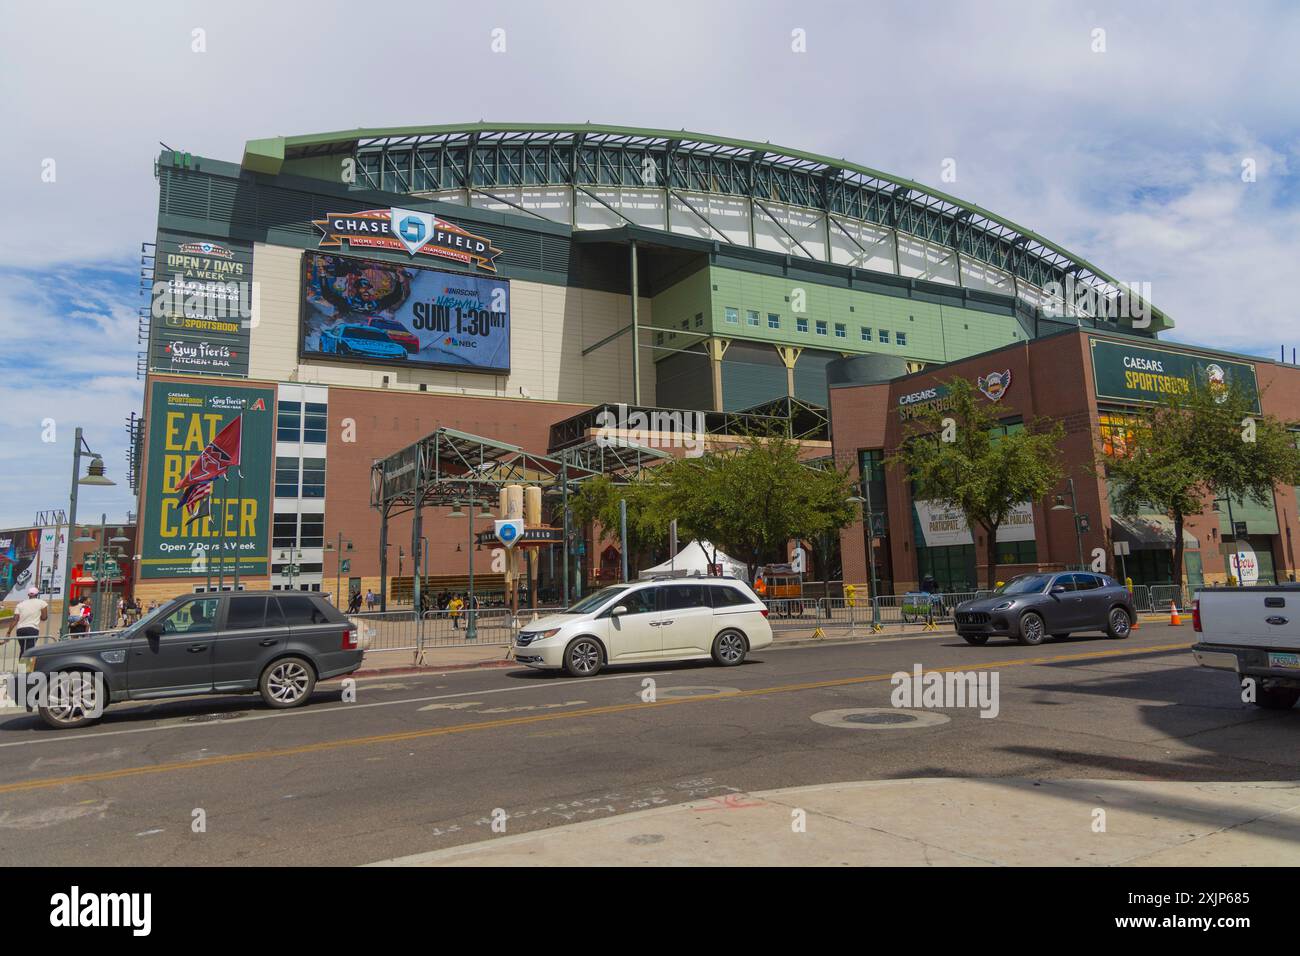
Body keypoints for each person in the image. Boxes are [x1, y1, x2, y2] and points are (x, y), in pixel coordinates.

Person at [6, 587, 48, 654]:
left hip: (20, 630)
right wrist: (37, 615)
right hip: (32, 629)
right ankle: (27, 664)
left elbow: (15, 619)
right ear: (37, 594)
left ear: (28, 594)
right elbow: (44, 617)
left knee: (23, 650)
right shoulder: (42, 603)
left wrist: (9, 632)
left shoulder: (20, 604)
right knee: (30, 651)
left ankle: (21, 664)